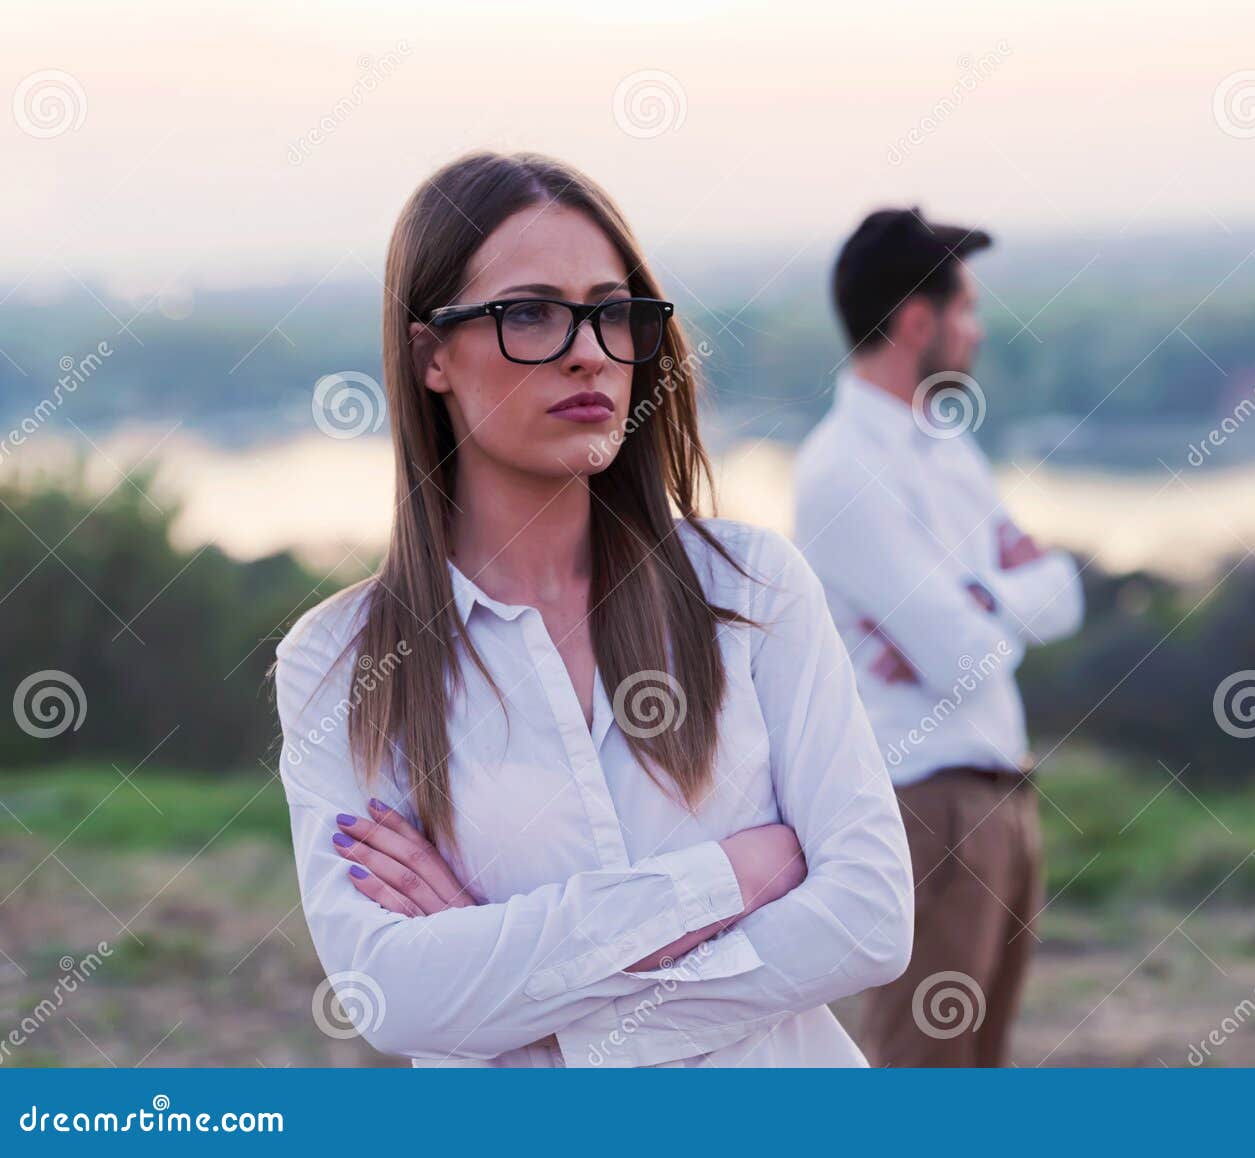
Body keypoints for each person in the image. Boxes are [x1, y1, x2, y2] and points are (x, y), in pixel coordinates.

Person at [271, 151, 913, 1068]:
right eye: (529, 311)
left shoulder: (751, 589)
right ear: (430, 355)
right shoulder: (338, 660)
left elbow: (870, 918)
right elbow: (394, 994)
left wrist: (540, 1014)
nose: (589, 349)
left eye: (614, 312)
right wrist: (731, 877)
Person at [793, 208, 1085, 1066]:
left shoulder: (947, 447)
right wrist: (994, 604)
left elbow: (1062, 591)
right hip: (927, 806)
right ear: (916, 322)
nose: (978, 331)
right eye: (965, 310)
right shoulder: (842, 468)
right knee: (923, 1071)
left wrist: (973, 596)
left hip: (1004, 795)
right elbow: (962, 658)